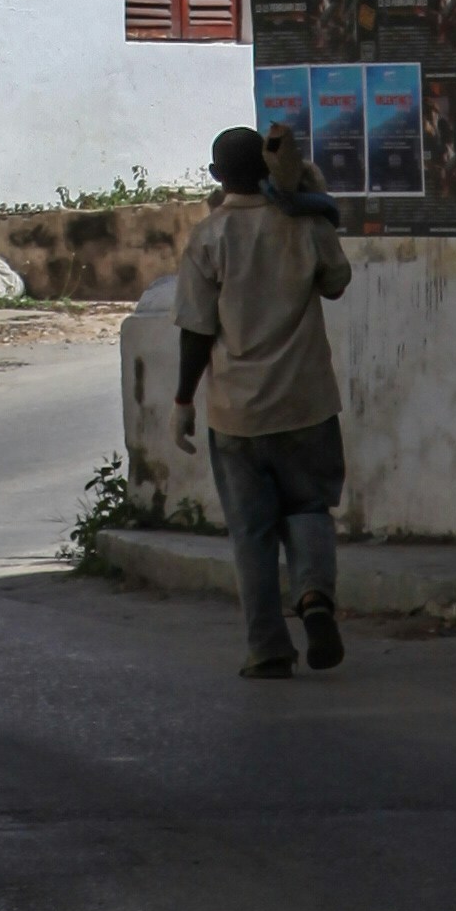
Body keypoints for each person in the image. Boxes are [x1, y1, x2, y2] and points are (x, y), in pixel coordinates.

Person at [170, 123, 352, 678]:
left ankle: (268, 648)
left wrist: (183, 400)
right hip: (307, 404)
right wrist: (308, 193)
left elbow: (197, 332)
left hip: (237, 415)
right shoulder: (304, 222)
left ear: (217, 176)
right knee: (309, 509)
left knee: (251, 535)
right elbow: (337, 281)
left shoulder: (209, 238)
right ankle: (315, 596)